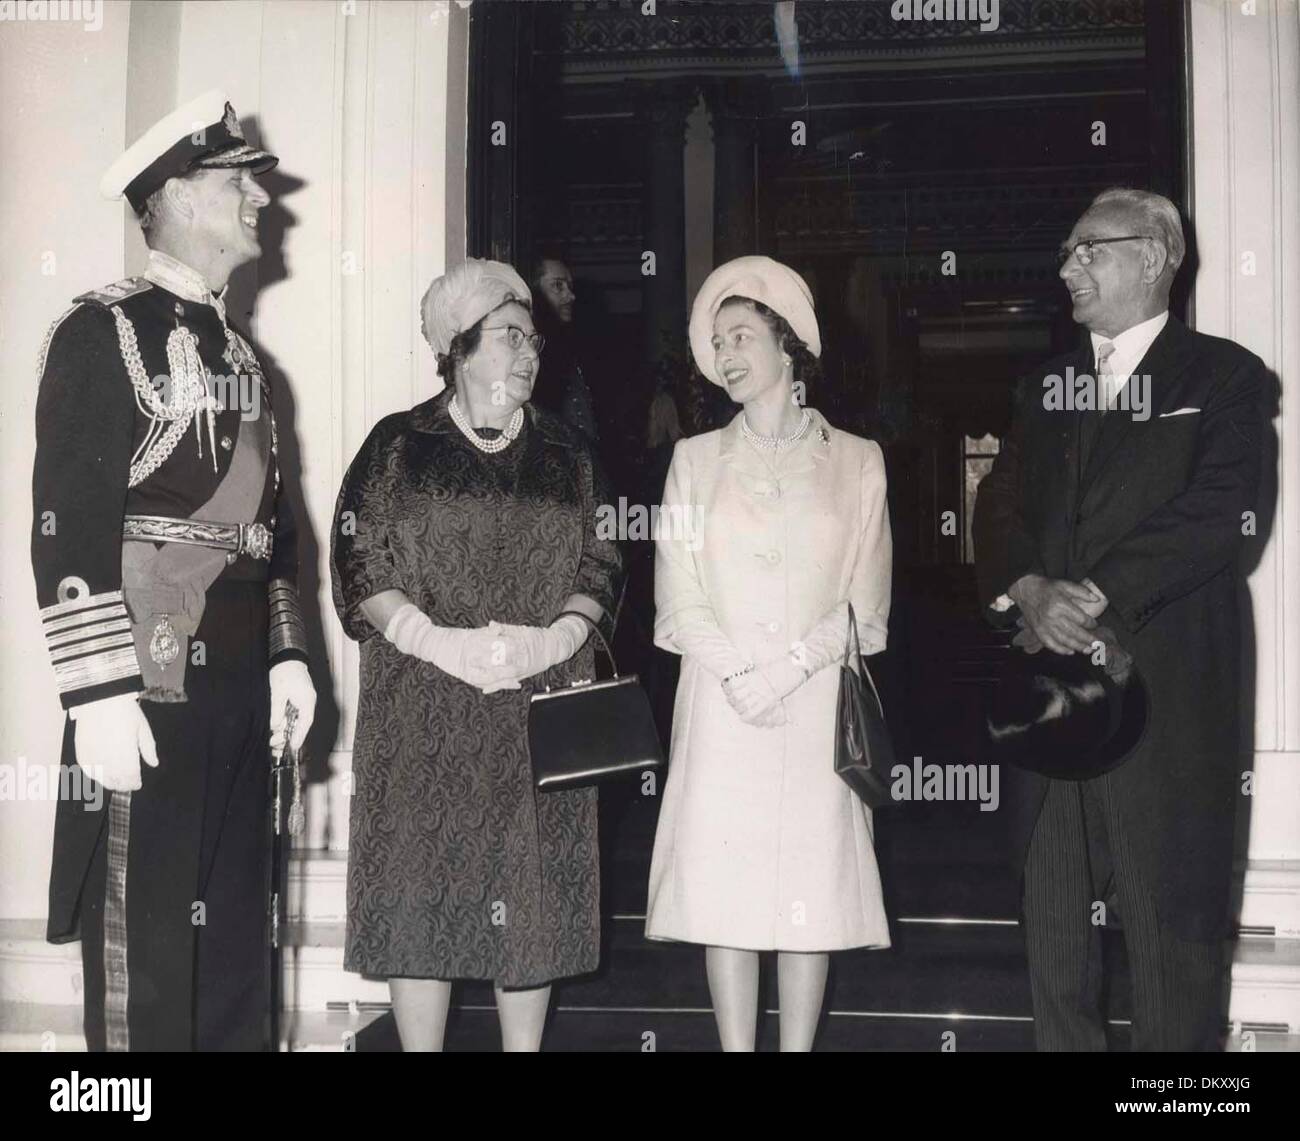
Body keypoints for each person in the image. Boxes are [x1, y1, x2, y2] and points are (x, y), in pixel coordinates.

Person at [30, 90, 316, 1051]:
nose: (259, 204)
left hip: (239, 688)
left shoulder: (250, 361)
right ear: (179, 197)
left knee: (237, 945)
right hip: (147, 678)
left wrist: (287, 656)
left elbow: (277, 534)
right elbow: (66, 528)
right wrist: (97, 691)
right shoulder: (98, 334)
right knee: (142, 949)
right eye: (240, 184)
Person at [973, 187, 1264, 1051]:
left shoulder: (1225, 377)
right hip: (1054, 712)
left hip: (1168, 715)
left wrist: (1093, 591)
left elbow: (1222, 513)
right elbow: (1000, 508)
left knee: (1176, 952)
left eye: (1088, 249)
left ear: (1153, 256)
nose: (1068, 267)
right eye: (1067, 251)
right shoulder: (1045, 388)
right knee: (1057, 948)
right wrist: (1029, 588)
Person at [330, 258, 623, 1052]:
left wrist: (557, 636)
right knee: (424, 885)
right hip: (421, 707)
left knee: (528, 888)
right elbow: (360, 566)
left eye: (534, 337)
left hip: (540, 703)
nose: (530, 352)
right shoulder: (398, 444)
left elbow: (604, 559)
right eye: (509, 336)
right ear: (458, 347)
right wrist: (434, 641)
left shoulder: (572, 452)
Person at [645, 255, 893, 1051]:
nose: (726, 354)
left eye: (742, 335)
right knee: (727, 893)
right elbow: (676, 598)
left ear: (790, 346)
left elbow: (867, 606)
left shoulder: (858, 462)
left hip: (817, 702)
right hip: (721, 705)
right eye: (717, 341)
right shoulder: (692, 462)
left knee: (808, 895)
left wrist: (787, 670)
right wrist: (741, 675)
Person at [526, 251, 600, 443]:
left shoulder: (567, 346)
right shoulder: (529, 353)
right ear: (533, 291)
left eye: (569, 286)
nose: (571, 296)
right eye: (558, 286)